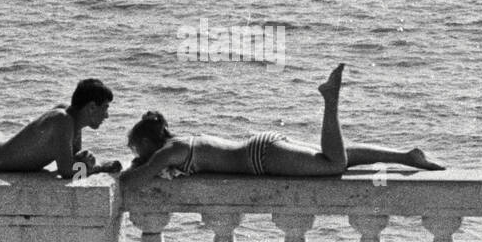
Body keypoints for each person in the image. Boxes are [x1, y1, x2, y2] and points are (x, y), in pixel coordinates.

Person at [120, 64, 443, 183]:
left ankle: (331, 101)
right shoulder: (178, 144)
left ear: (148, 142)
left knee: (333, 164)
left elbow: (136, 180)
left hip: (260, 159)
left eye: (136, 147)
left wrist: (115, 170)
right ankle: (406, 157)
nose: (137, 152)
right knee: (332, 158)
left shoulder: (167, 152)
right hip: (261, 149)